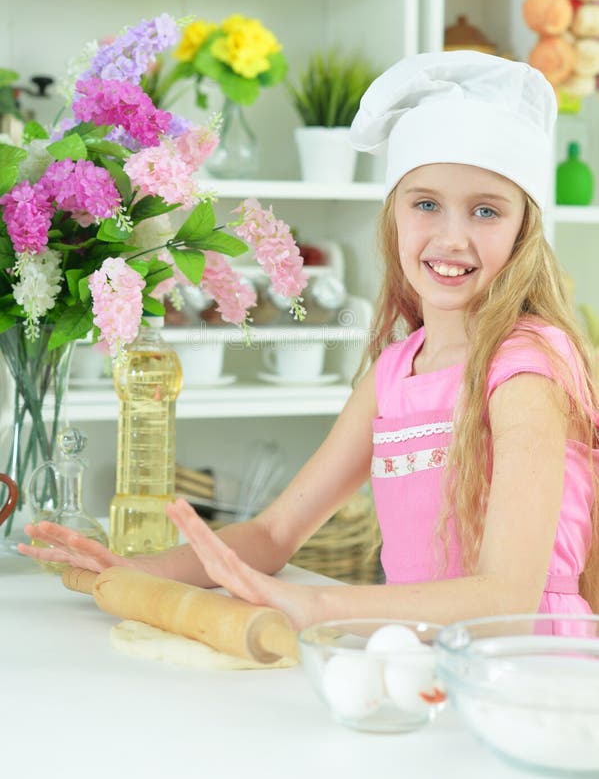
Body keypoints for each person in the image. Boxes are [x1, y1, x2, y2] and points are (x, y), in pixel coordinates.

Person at [18, 51, 599, 631]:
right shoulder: (395, 373)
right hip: (422, 659)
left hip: (528, 667)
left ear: (524, 229)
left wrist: (318, 605)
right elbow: (273, 534)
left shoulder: (528, 368)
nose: (452, 237)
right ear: (393, 214)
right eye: (426, 203)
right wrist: (136, 569)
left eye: (485, 211)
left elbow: (507, 597)